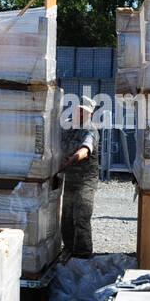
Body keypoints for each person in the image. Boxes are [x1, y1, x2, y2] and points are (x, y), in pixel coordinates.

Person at [61, 95, 99, 258]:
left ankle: (83, 254)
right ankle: (69, 249)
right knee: (67, 216)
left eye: (84, 113)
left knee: (81, 215)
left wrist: (74, 158)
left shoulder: (90, 129)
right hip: (69, 178)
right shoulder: (69, 127)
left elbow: (86, 148)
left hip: (85, 180)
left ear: (90, 115)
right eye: (79, 111)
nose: (80, 115)